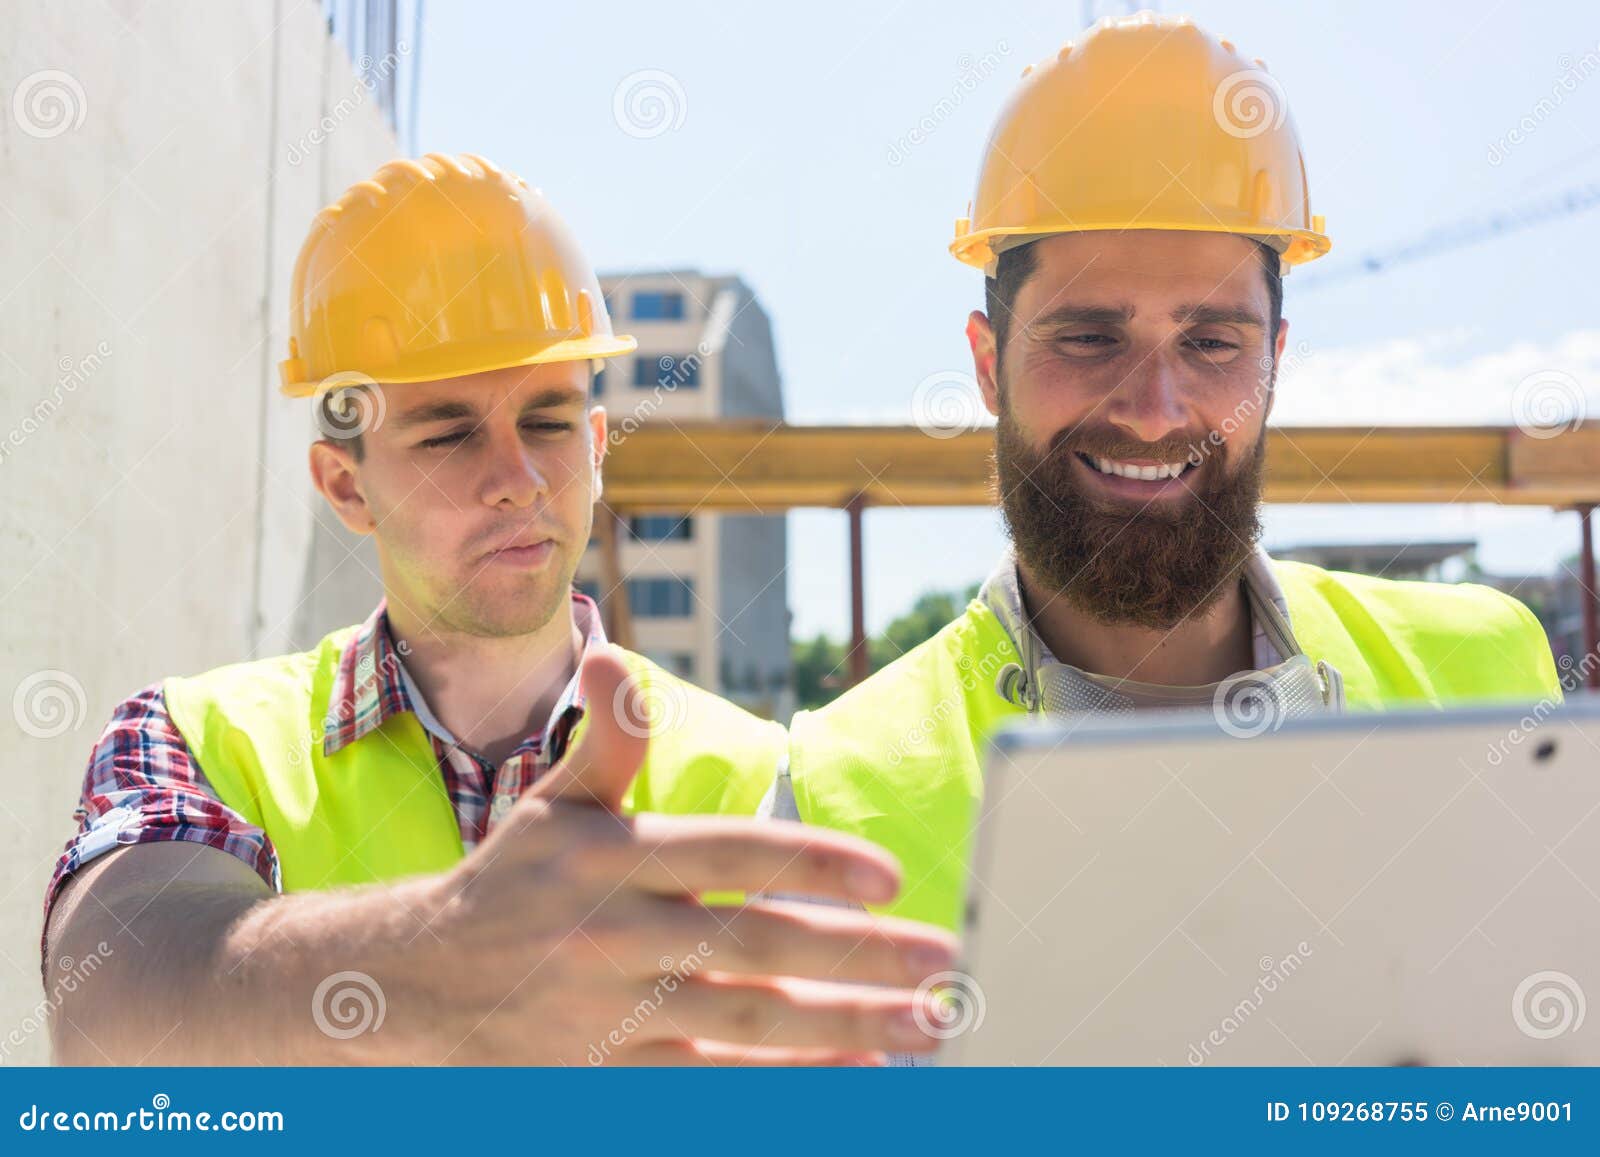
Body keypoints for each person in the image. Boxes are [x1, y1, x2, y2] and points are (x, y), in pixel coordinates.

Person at [42, 153, 956, 1066]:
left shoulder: (759, 779)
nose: (516, 481)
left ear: (596, 447)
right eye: (448, 434)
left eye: (549, 423)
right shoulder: (198, 736)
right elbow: (106, 1015)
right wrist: (435, 956)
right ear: (345, 485)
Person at [777, 14, 1562, 937]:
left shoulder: (1487, 678)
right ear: (987, 365)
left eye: (1210, 342)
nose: (1153, 410)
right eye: (1087, 336)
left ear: (1273, 359)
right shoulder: (836, 790)